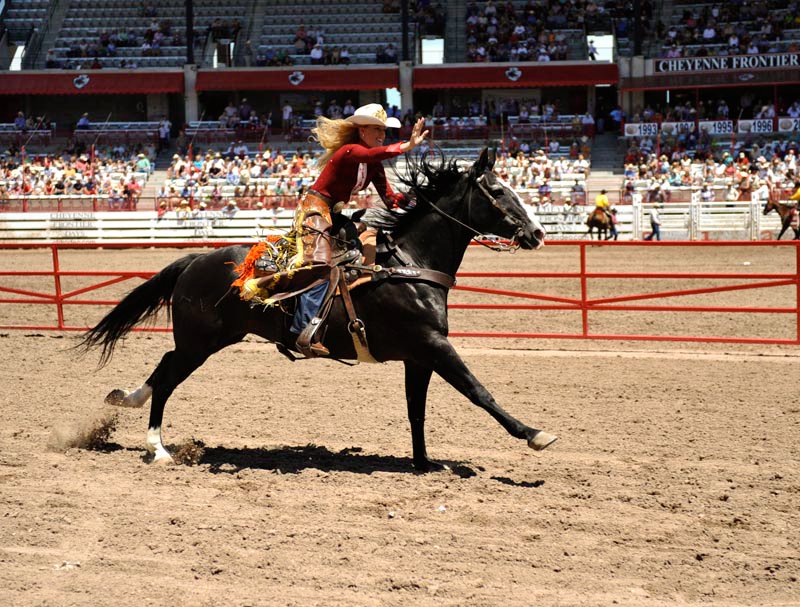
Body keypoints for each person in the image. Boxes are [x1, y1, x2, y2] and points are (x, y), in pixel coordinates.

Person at [273, 104, 429, 356]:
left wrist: (418, 201)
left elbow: (390, 198)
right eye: (376, 129)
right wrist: (407, 146)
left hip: (332, 214)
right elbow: (372, 155)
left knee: (358, 251)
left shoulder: (372, 162)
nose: (381, 134)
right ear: (362, 130)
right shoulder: (349, 151)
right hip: (314, 209)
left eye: (383, 130)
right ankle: (301, 330)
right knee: (320, 264)